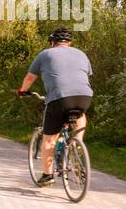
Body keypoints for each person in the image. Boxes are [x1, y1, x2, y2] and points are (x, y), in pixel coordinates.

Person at [16, 28, 93, 185]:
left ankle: (48, 175)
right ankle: (77, 142)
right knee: (81, 114)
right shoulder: (81, 54)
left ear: (52, 42)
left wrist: (22, 91)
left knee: (49, 139)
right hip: (84, 96)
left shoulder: (45, 54)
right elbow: (84, 75)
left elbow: (30, 77)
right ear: (69, 42)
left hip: (59, 99)